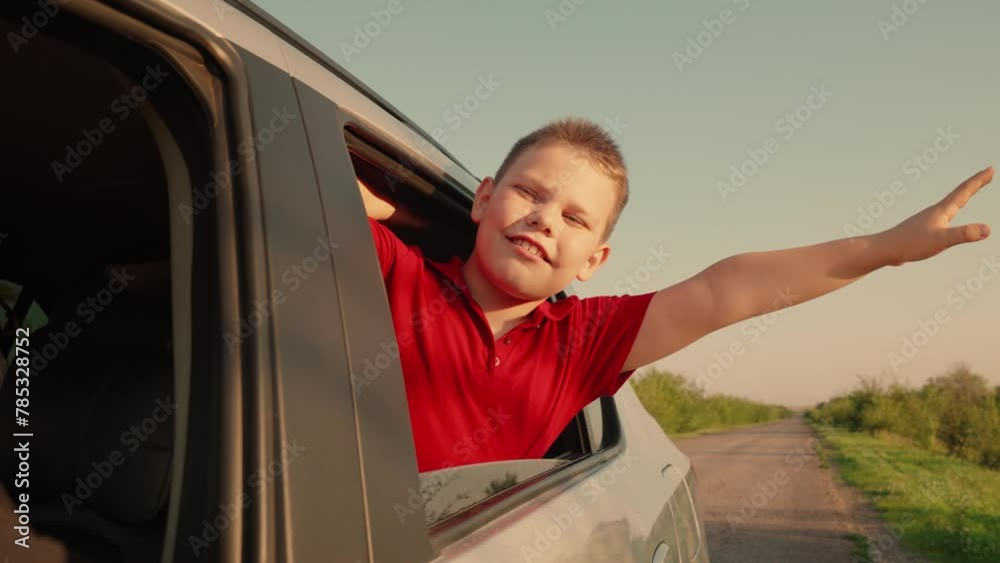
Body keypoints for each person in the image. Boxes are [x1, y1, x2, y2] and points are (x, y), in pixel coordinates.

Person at [359, 116, 993, 473]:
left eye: (576, 220)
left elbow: (726, 289)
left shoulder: (584, 341)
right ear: (483, 198)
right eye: (529, 193)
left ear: (594, 261)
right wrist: (394, 211)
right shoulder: (395, 270)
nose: (545, 220)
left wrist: (887, 247)